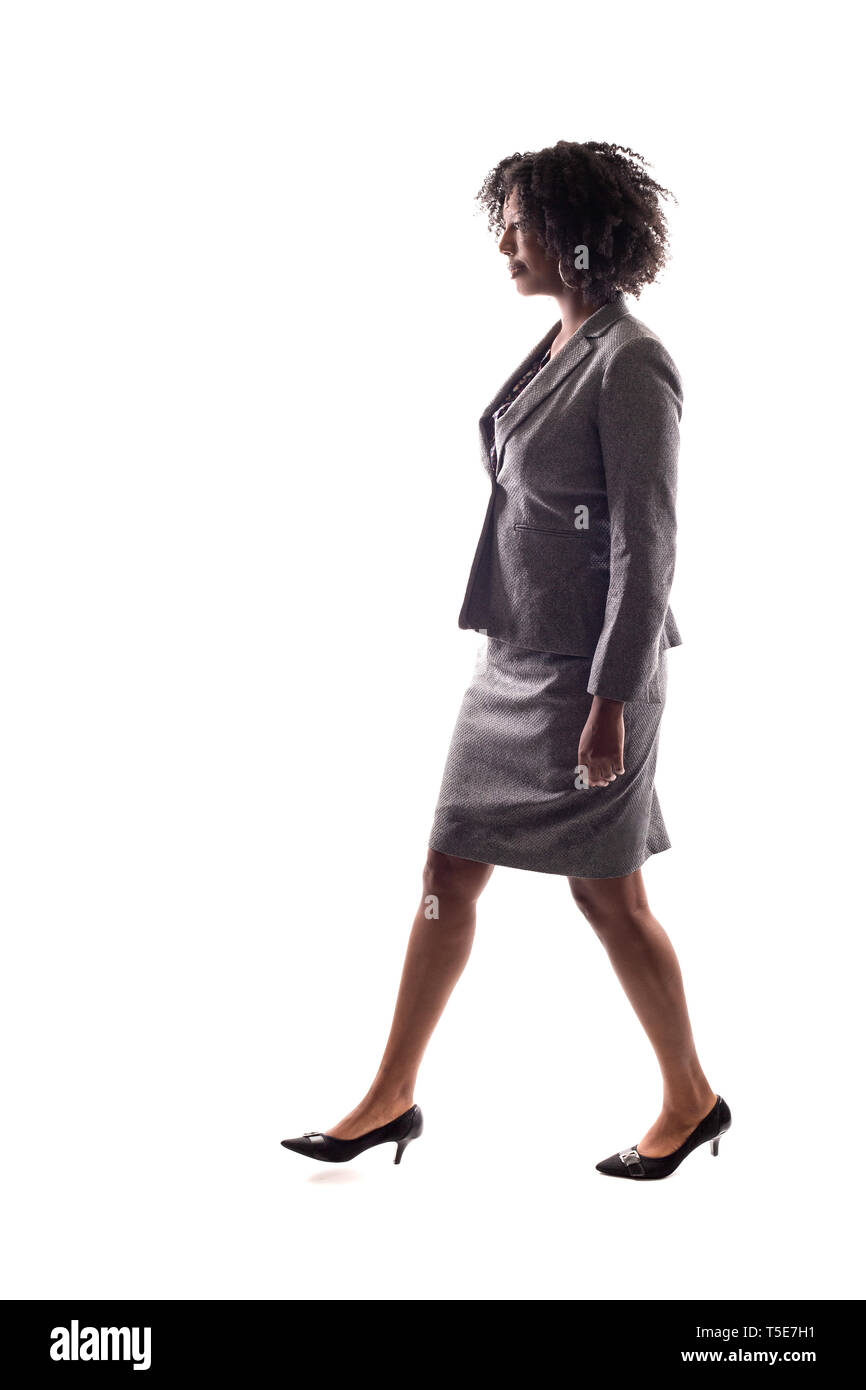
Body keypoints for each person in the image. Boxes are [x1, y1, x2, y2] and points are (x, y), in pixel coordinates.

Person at [282, 140, 730, 1181]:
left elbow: (645, 545)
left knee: (605, 897)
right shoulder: (557, 344)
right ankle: (389, 1095)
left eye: (518, 222)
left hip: (591, 678)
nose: (503, 242)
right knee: (445, 869)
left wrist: (609, 700)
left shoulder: (632, 359)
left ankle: (690, 1097)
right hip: (512, 657)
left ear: (572, 237)